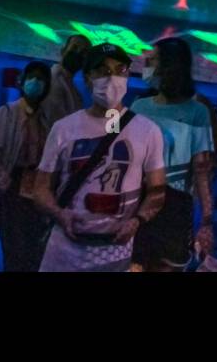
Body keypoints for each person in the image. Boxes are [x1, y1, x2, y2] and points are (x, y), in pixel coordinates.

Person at [33, 42, 166, 272]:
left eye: (120, 70)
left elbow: (157, 190)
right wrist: (59, 214)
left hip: (115, 253)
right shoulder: (64, 128)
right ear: (87, 78)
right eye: (103, 71)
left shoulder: (148, 131)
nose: (112, 77)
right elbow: (40, 188)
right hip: (64, 252)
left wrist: (137, 221)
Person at [130, 38, 216, 270]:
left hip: (174, 208)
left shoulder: (197, 112)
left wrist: (206, 221)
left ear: (170, 66)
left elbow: (201, 170)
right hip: (137, 201)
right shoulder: (138, 107)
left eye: (153, 60)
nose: (147, 64)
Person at [0, 60, 53, 272]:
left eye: (41, 79)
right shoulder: (8, 113)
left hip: (32, 192)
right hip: (10, 191)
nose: (36, 83)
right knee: (15, 251)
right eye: (32, 78)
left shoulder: (43, 119)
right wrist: (7, 184)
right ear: (23, 82)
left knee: (31, 251)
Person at [45, 34, 90, 127]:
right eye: (74, 47)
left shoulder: (71, 87)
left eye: (83, 52)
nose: (78, 53)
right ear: (63, 50)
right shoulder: (52, 80)